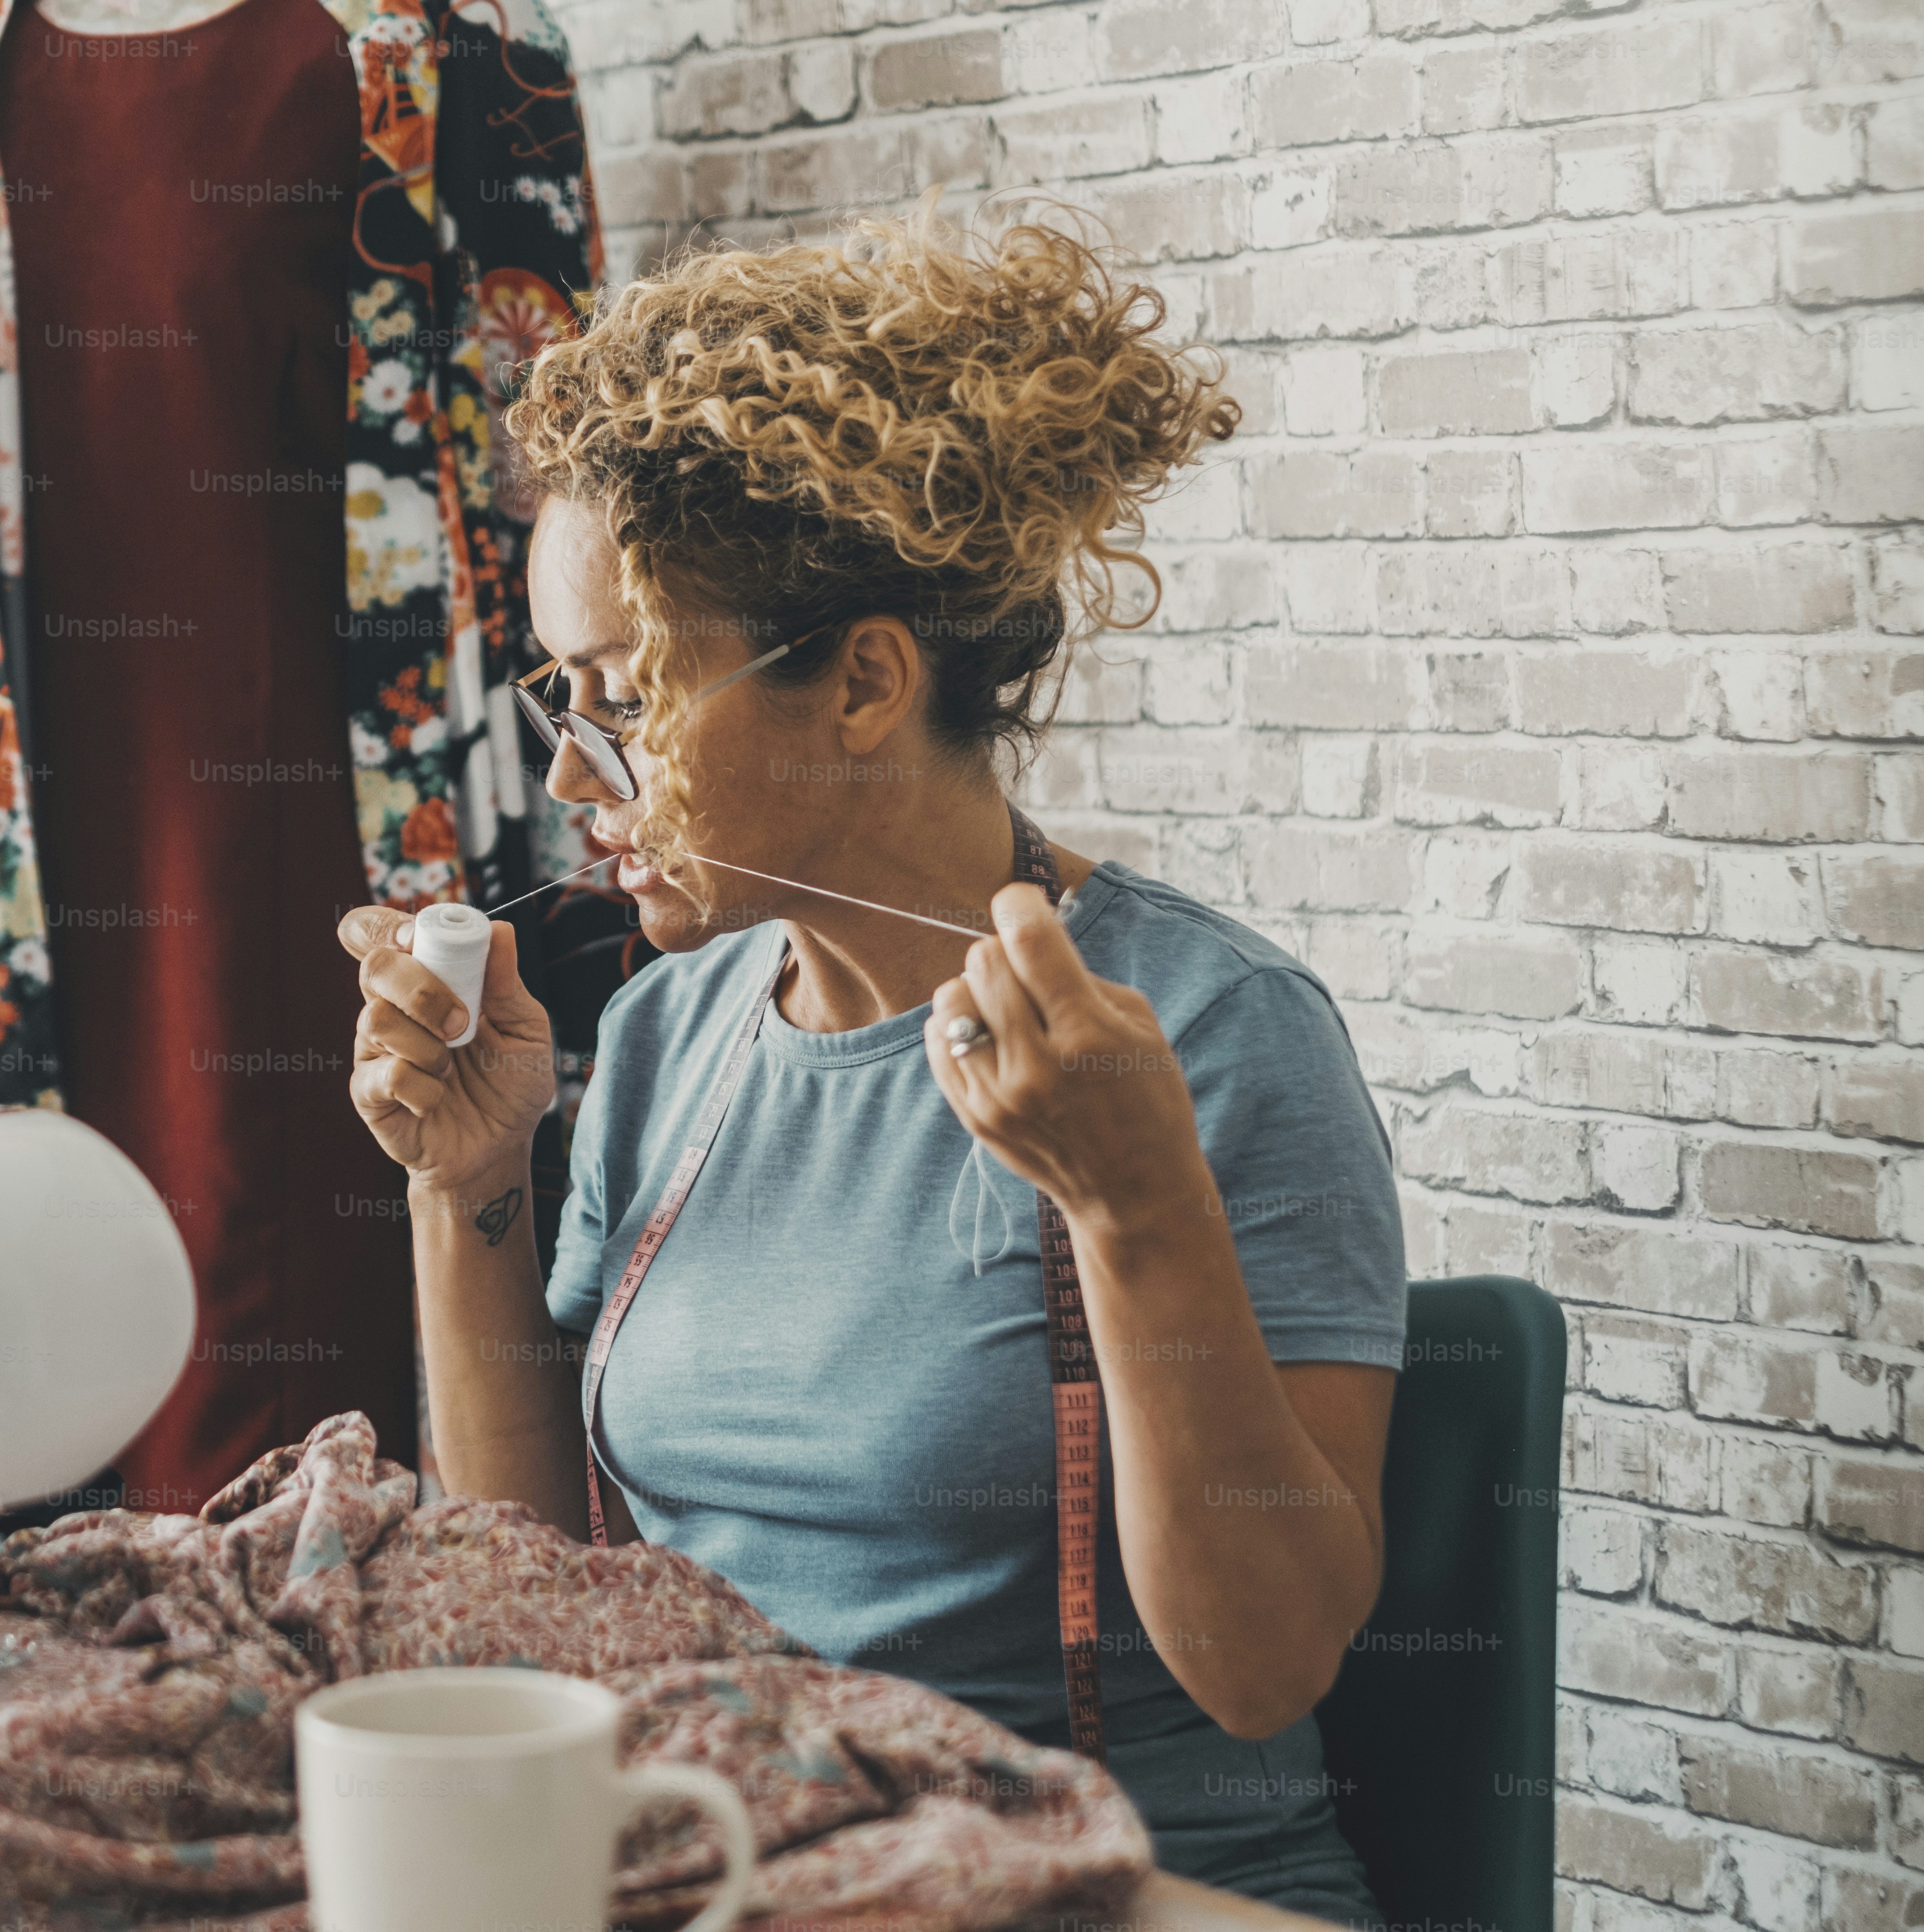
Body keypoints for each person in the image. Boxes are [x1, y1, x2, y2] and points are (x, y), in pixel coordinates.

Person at [334, 209, 1405, 1923]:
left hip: (1113, 1892)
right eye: (566, 700)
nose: (575, 779)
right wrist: (469, 1192)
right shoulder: (674, 1034)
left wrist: (1137, 1215)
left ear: (865, 684)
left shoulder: (1209, 1035)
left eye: (628, 694)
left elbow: (1265, 1667)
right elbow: (528, 1606)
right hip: (751, 1872)